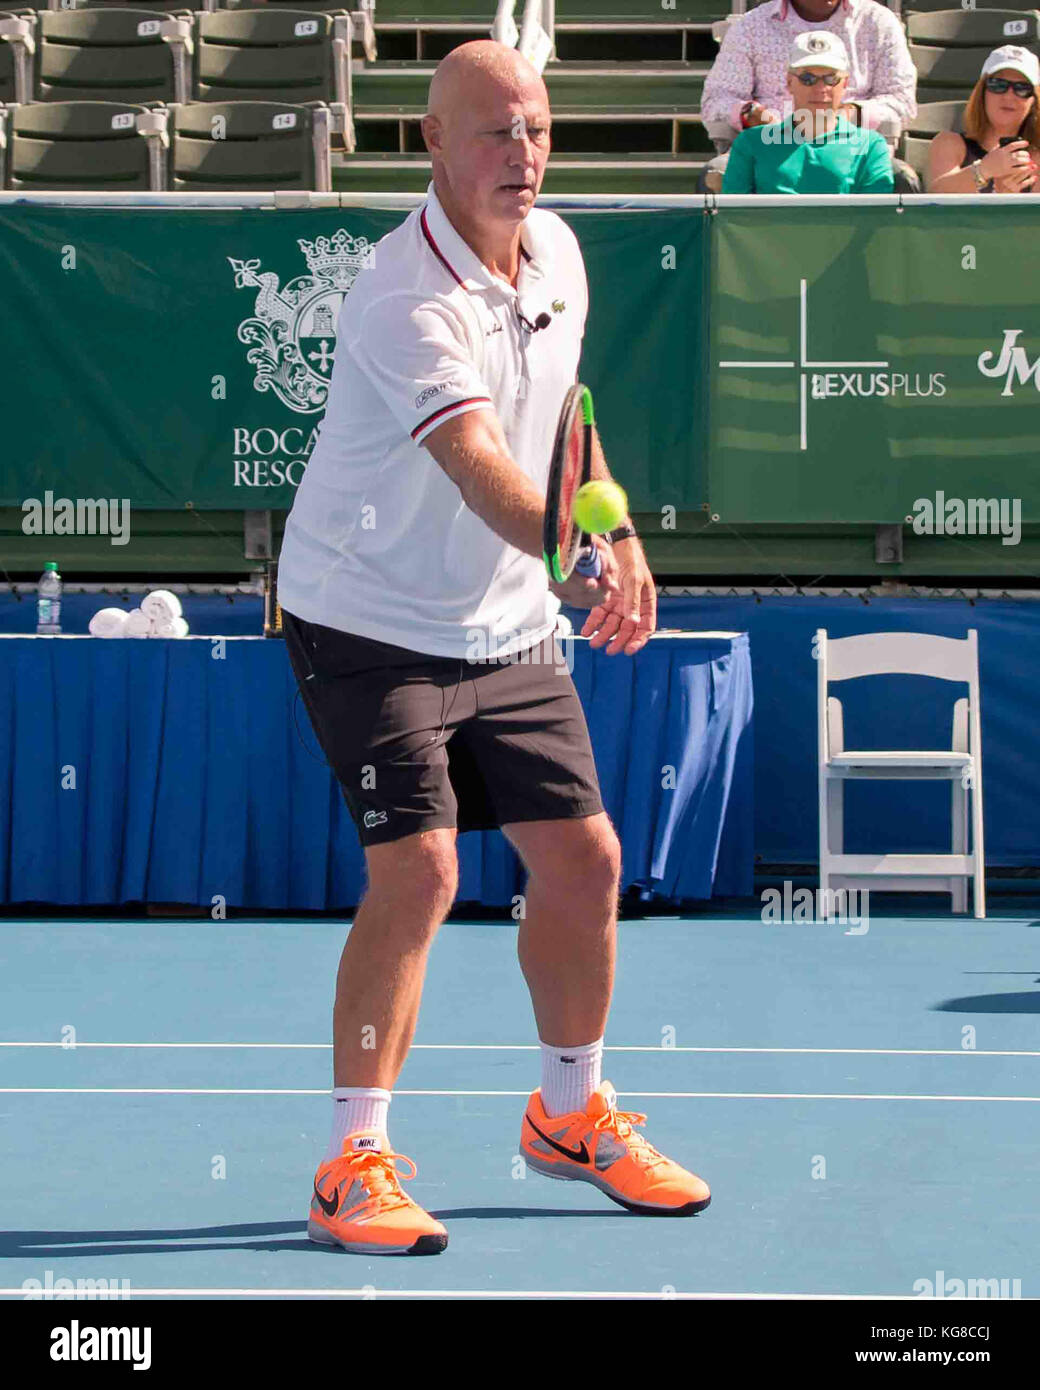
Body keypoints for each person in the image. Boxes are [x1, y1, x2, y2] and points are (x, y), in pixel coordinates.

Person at [276, 39, 711, 1256]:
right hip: (365, 617)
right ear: (430, 144)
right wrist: (575, 561)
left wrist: (609, 525)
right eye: (491, 131)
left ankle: (569, 1116)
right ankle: (349, 1159)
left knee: (582, 859)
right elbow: (474, 462)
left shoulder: (559, 251)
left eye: (534, 127)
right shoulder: (399, 294)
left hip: (503, 621)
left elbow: (566, 418)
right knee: (417, 870)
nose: (519, 152)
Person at [700, 0, 916, 189]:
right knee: (716, 173)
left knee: (901, 179)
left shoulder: (878, 21)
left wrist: (843, 118)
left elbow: (901, 101)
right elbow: (717, 100)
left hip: (857, 151)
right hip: (767, 145)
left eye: (831, 80)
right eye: (807, 79)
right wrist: (753, 115)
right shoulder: (750, 26)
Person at [723, 32, 894, 193]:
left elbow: (875, 218)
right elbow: (732, 217)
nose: (821, 89)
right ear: (789, 82)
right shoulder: (751, 143)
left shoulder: (870, 146)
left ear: (845, 84)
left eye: (831, 79)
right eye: (807, 79)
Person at [927, 45, 1039, 194]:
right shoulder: (950, 144)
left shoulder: (1036, 161)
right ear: (982, 92)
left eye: (1022, 88)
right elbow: (935, 200)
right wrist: (984, 169)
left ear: (1034, 100)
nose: (1009, 96)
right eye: (998, 85)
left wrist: (1009, 199)